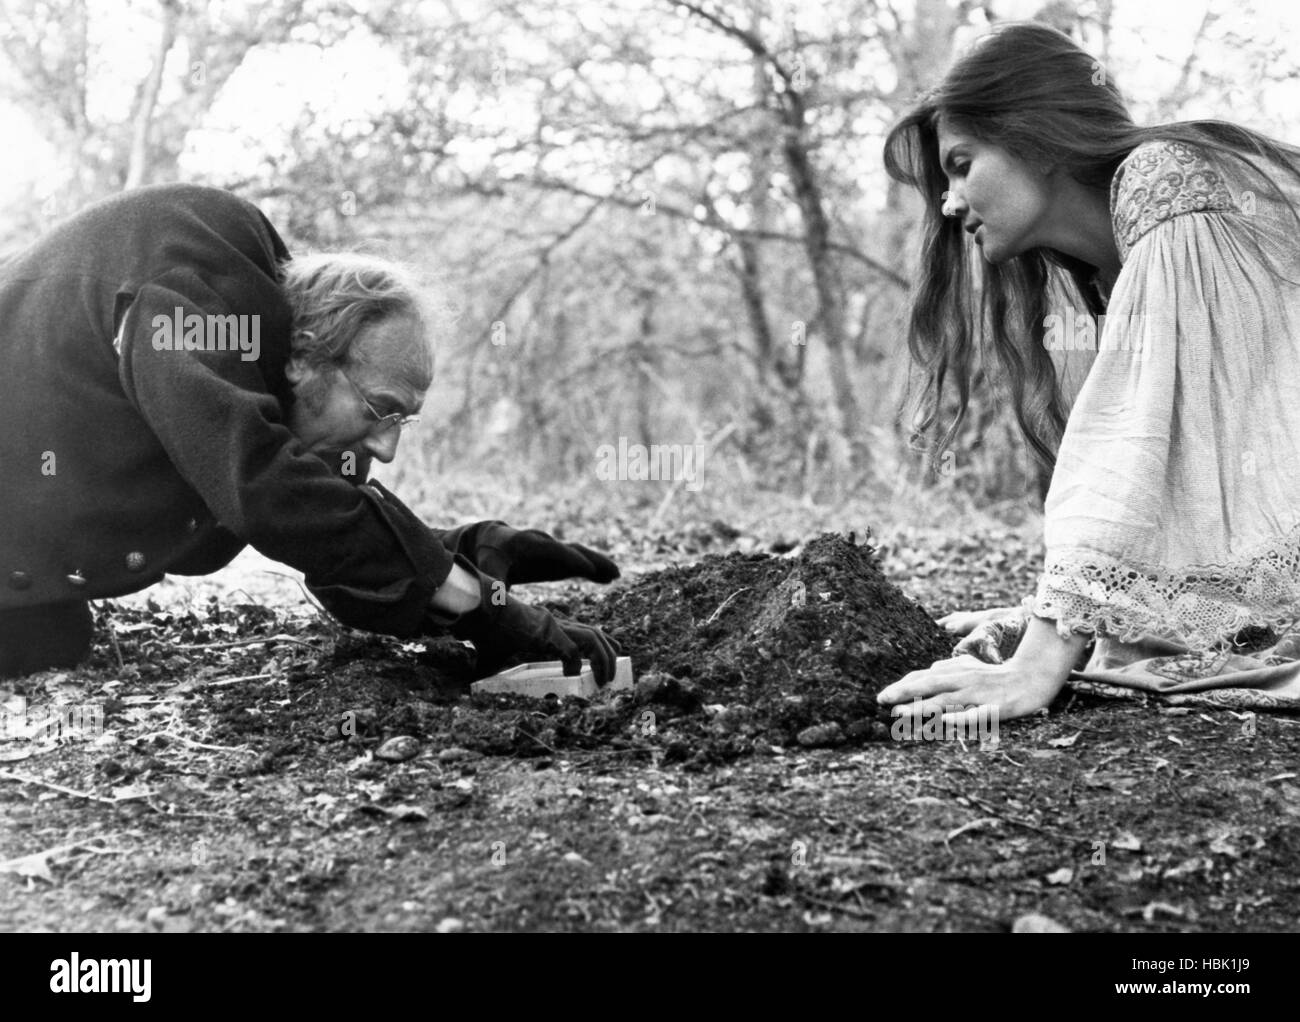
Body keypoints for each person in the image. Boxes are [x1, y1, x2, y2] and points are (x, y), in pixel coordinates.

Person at [0, 183, 619, 682]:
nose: (387, 447)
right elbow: (265, 488)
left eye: (402, 421)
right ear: (304, 355)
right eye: (381, 409)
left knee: (45, 636)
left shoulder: (264, 348)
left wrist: (458, 551)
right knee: (39, 642)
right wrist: (475, 603)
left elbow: (326, 530)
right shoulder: (184, 284)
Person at [875, 21, 1300, 724]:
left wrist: (1040, 659)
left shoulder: (1166, 180)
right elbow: (1208, 495)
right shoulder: (1128, 252)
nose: (949, 204)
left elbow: (1130, 448)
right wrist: (1056, 617)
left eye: (960, 163)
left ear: (1034, 140)